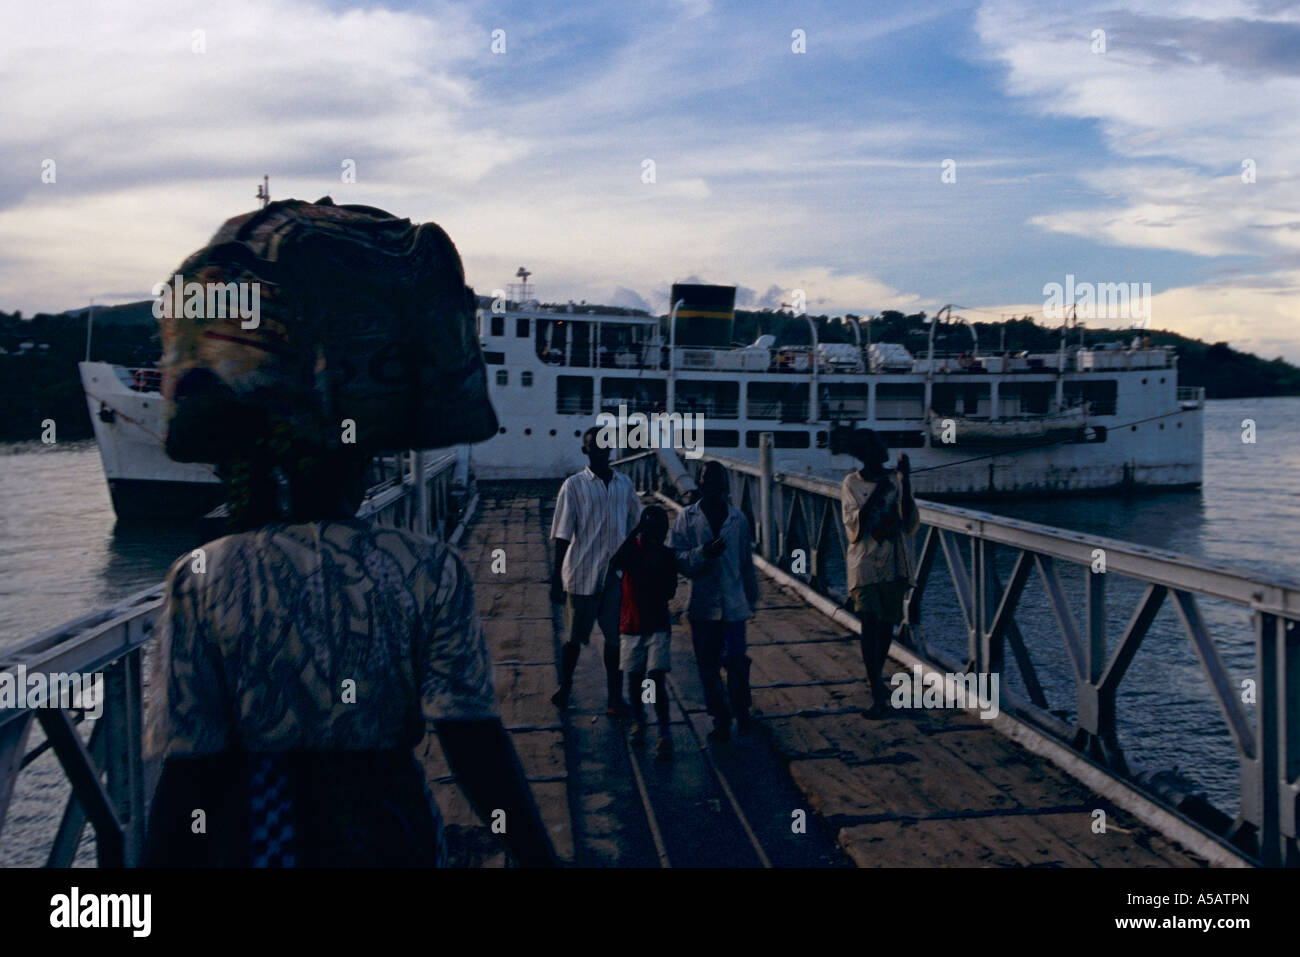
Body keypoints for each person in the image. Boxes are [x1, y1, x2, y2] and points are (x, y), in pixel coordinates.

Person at [142, 198, 556, 867]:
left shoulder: (201, 577)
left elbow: (187, 768)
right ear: (363, 456)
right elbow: (472, 740)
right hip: (390, 834)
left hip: (247, 838)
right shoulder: (428, 568)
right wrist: (539, 856)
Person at [550, 425, 643, 716]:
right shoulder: (573, 485)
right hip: (580, 575)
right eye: (595, 446)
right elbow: (563, 534)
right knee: (573, 639)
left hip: (614, 577)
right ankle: (565, 687)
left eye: (605, 445)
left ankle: (615, 698)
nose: (601, 451)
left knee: (615, 640)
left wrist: (630, 561)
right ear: (585, 450)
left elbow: (636, 525)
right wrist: (555, 579)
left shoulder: (624, 484)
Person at [671, 460, 760, 742]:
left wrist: (751, 598)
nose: (713, 487)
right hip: (702, 606)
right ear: (699, 484)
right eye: (707, 481)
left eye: (717, 482)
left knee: (737, 663)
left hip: (734, 605)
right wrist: (702, 553)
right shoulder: (686, 518)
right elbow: (677, 559)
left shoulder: (739, 519)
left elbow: (746, 563)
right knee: (707, 668)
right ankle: (721, 718)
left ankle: (741, 709)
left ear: (725, 486)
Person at [840, 429, 920, 718]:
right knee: (869, 624)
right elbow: (854, 523)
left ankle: (877, 679)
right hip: (863, 564)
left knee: (886, 626)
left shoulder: (894, 482)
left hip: (892, 563)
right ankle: (876, 692)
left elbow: (909, 519)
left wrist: (905, 480)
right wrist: (881, 490)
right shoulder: (850, 483)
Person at [611, 505, 678, 759]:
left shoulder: (665, 555)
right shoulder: (633, 551)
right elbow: (615, 561)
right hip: (632, 624)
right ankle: (641, 721)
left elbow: (670, 590)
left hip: (656, 625)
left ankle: (663, 731)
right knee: (635, 677)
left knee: (654, 677)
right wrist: (634, 534)